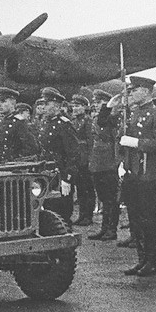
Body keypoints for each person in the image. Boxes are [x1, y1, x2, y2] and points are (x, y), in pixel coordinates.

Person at [99, 76, 156, 276]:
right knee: (136, 218)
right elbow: (104, 123)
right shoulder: (131, 113)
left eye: (133, 91)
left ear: (145, 91)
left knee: (149, 219)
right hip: (132, 172)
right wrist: (109, 106)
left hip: (148, 173)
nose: (130, 95)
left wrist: (135, 143)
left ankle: (152, 262)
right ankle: (141, 259)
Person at [38, 87, 81, 224]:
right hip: (46, 174)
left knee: (62, 215)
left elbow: (73, 154)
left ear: (56, 106)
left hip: (60, 175)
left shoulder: (64, 125)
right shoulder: (45, 123)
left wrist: (67, 178)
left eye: (46, 104)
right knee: (48, 211)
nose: (43, 107)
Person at [87, 89, 120, 241]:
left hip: (108, 162)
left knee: (110, 198)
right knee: (102, 197)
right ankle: (104, 228)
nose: (96, 105)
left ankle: (111, 229)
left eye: (99, 102)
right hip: (97, 162)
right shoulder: (97, 118)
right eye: (95, 102)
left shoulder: (112, 118)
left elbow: (111, 136)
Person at [0, 87, 39, 163]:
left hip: (15, 167)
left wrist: (17, 160)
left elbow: (31, 148)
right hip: (1, 166)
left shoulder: (20, 122)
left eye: (3, 101)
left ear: (12, 103)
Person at [69, 94, 96, 225]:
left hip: (85, 158)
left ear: (85, 107)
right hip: (77, 159)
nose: (74, 108)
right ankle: (82, 215)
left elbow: (91, 142)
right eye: (73, 106)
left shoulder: (88, 121)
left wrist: (90, 159)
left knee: (87, 188)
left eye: (78, 106)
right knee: (80, 188)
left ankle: (88, 216)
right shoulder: (74, 121)